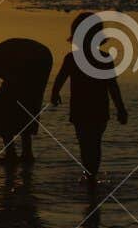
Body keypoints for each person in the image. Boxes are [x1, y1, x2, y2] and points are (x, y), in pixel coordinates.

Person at [51, 13, 128, 183]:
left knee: (85, 142)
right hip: (97, 109)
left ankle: (90, 174)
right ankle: (91, 174)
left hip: (82, 109)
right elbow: (113, 87)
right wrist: (121, 109)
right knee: (94, 142)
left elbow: (60, 79)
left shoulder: (72, 58)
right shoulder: (103, 59)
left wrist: (54, 94)